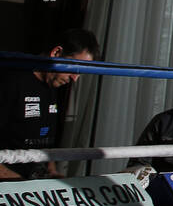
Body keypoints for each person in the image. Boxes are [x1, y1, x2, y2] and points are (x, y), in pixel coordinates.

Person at [0, 28, 100, 180]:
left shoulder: (53, 84)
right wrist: (17, 182)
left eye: (81, 72)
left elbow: (45, 141)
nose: (75, 78)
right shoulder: (11, 82)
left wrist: (52, 173)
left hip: (32, 184)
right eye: (74, 68)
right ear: (56, 53)